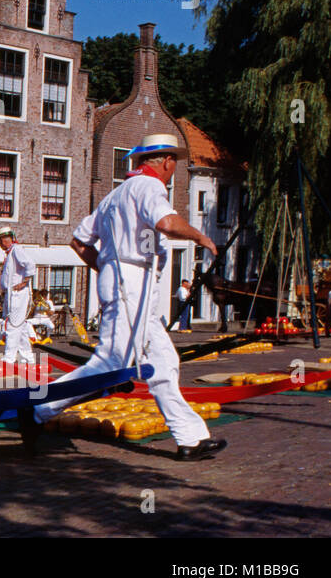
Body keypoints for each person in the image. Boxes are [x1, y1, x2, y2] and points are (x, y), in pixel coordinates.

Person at [31, 133, 226, 462]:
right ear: (166, 163)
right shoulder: (150, 188)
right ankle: (40, 408)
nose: (172, 171)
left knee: (164, 362)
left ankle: (190, 438)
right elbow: (167, 223)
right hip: (133, 281)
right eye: (173, 165)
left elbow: (79, 242)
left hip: (132, 282)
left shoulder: (114, 196)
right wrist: (201, 237)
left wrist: (107, 267)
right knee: (111, 362)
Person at [0, 227, 37, 366]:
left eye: (0, 241)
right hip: (11, 293)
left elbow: (30, 265)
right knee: (21, 326)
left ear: (5, 239)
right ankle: (27, 357)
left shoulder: (17, 250)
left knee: (13, 324)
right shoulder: (11, 253)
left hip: (17, 293)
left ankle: (9, 358)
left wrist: (24, 282)